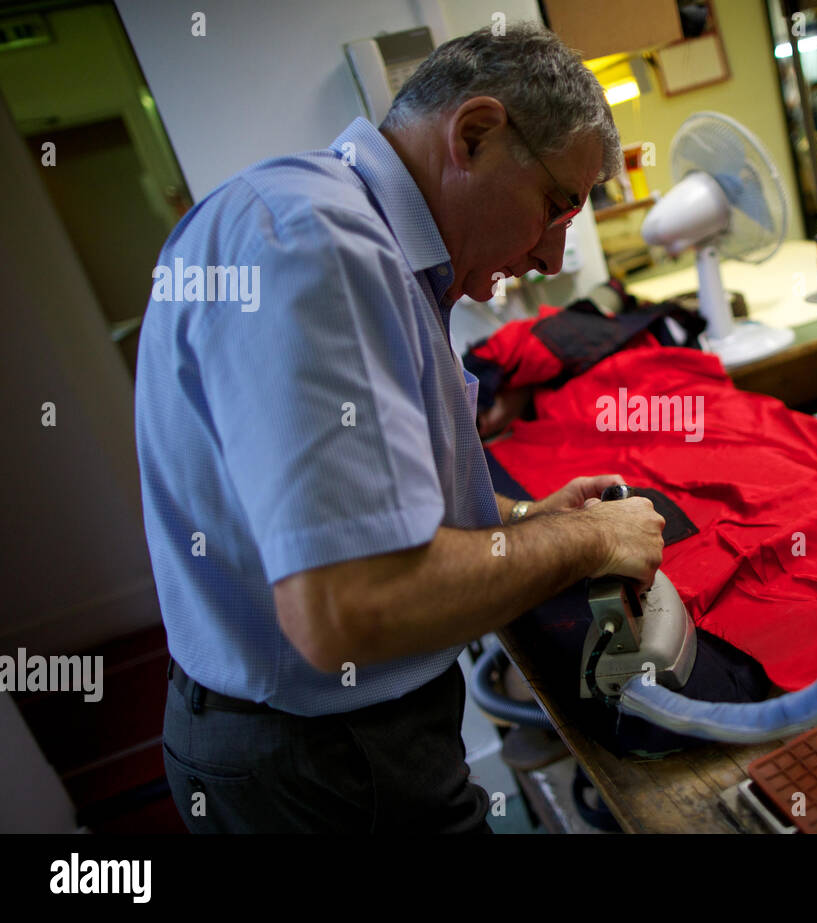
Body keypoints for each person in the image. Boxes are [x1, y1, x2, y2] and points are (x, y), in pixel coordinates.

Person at [134, 23, 665, 833]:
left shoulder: (347, 236)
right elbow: (351, 605)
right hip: (323, 763)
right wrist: (591, 544)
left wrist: (528, 519)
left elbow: (379, 504)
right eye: (557, 206)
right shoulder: (318, 246)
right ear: (476, 133)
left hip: (323, 743)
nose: (554, 256)